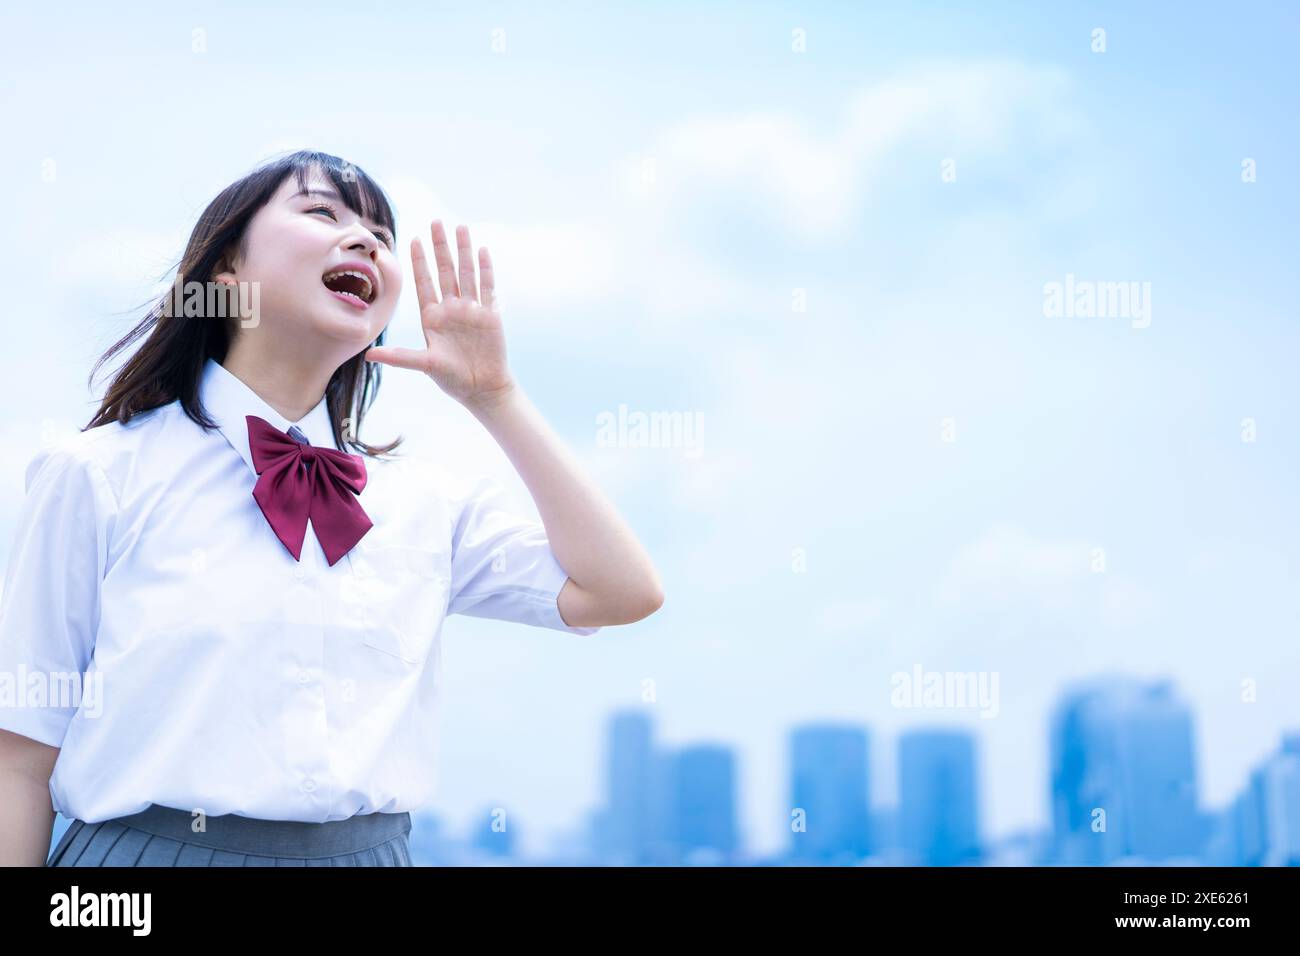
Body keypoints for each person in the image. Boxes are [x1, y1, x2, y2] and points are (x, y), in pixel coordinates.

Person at [0, 149, 663, 866]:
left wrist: (495, 398)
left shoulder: (422, 500)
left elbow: (620, 591)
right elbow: (18, 757)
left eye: (381, 230)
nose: (367, 240)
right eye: (322, 212)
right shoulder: (99, 474)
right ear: (228, 272)